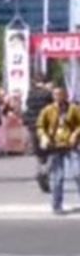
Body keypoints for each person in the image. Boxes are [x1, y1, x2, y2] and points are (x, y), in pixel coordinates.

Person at [36, 87, 80, 215]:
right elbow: (40, 126)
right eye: (55, 94)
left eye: (60, 94)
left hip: (71, 145)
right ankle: (57, 205)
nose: (58, 97)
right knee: (58, 178)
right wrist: (43, 136)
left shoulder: (73, 109)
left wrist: (75, 134)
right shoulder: (48, 110)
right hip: (55, 146)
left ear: (65, 95)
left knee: (78, 173)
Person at [25, 79, 55, 192]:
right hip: (46, 127)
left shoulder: (30, 94)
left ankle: (39, 171)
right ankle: (44, 173)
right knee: (51, 151)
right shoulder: (47, 94)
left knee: (39, 153)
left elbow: (27, 110)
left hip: (33, 126)